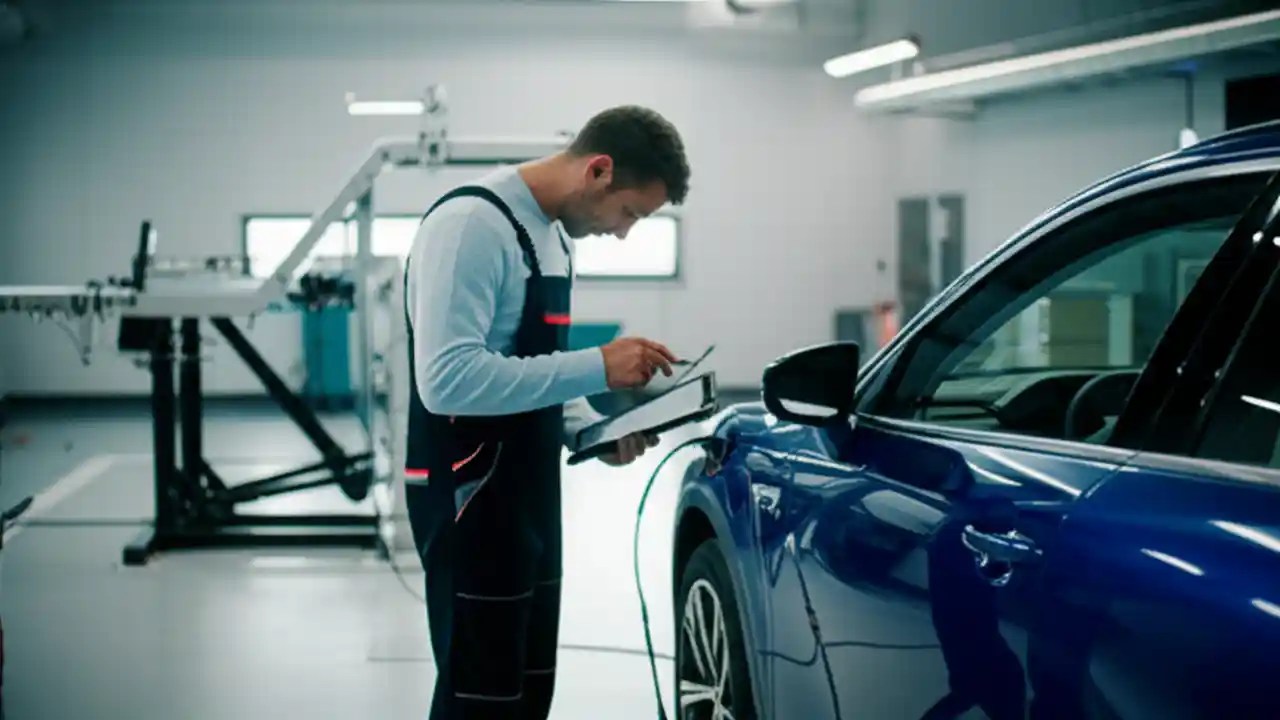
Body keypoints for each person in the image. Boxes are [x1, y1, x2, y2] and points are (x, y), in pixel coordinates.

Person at [402, 105, 692, 719]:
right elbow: (446, 382)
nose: (623, 233)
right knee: (478, 697)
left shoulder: (555, 237)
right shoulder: (471, 227)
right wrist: (598, 365)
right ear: (599, 170)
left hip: (530, 494)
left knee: (526, 689)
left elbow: (533, 366)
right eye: (629, 213)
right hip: (468, 497)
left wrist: (590, 429)